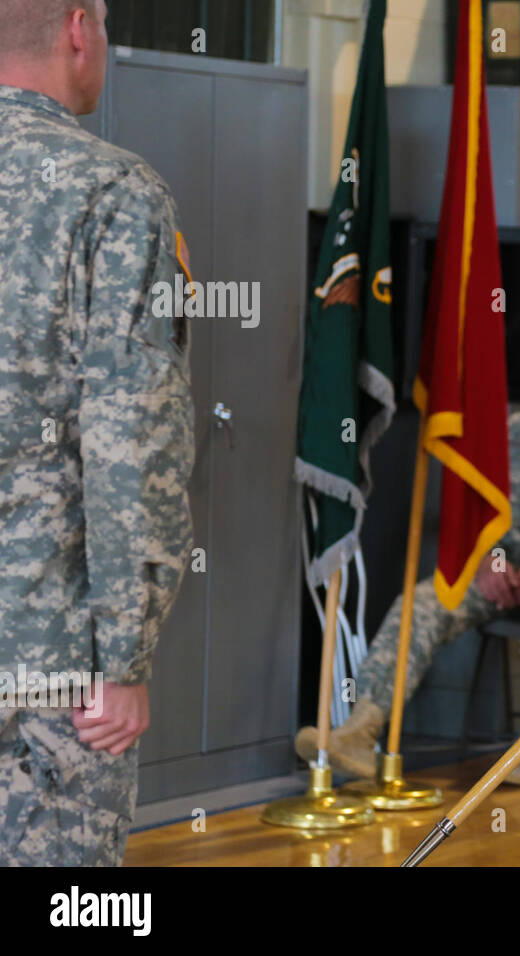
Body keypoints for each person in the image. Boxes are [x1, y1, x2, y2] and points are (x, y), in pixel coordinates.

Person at [0, 0, 196, 866]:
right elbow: (130, 443)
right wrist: (125, 654)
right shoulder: (113, 191)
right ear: (79, 28)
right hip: (51, 663)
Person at [297, 322, 520, 785]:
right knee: (422, 602)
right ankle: (361, 729)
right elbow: (482, 513)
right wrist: (492, 562)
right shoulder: (509, 433)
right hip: (504, 576)